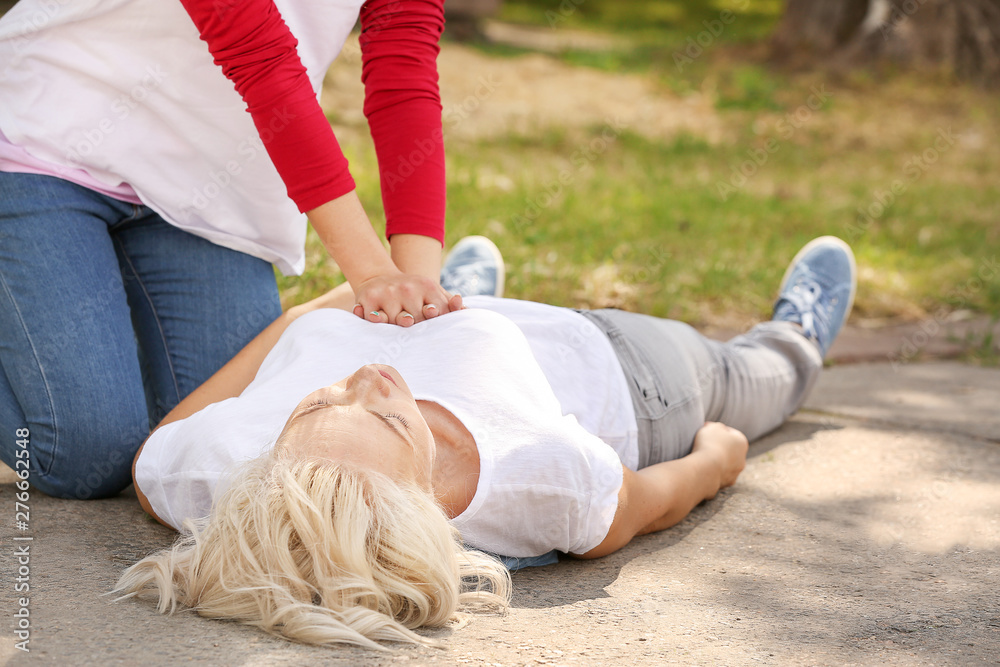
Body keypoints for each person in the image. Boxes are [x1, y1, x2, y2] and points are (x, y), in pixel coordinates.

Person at [114, 236, 857, 649]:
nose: (365, 377)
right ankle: (794, 335)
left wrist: (334, 300)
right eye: (390, 417)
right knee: (749, 375)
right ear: (425, 499)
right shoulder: (542, 482)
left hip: (451, 311)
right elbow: (643, 504)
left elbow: (158, 455)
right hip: (620, 367)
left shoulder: (222, 464)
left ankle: (459, 283)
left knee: (432, 289)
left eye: (317, 402)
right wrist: (717, 462)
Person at [0, 0, 461, 499]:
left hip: (207, 190)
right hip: (43, 140)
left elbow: (404, 69)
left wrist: (419, 302)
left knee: (223, 441)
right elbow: (260, 57)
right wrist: (371, 272)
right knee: (82, 453)